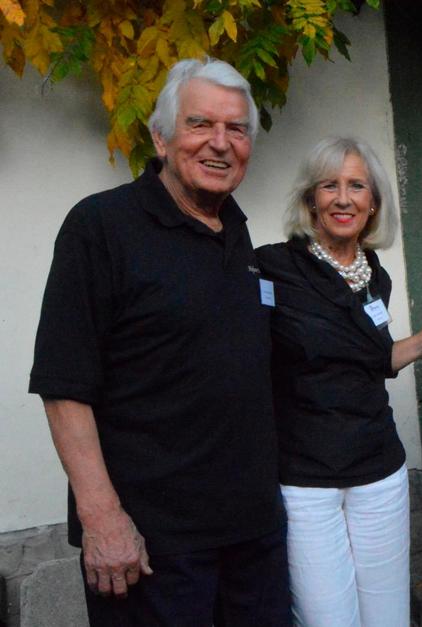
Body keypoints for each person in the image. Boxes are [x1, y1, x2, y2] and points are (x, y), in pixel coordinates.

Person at [29, 58, 289, 624]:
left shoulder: (237, 232)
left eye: (237, 129)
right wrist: (102, 519)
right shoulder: (101, 227)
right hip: (152, 548)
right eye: (200, 124)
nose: (220, 143)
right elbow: (63, 386)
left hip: (254, 538)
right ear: (161, 137)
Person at [256, 137, 422, 625]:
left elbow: (372, 359)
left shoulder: (374, 274)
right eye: (330, 186)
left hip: (378, 468)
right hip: (306, 479)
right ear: (310, 200)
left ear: (373, 201)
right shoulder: (271, 267)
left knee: (388, 615)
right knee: (327, 618)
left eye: (356, 186)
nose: (344, 198)